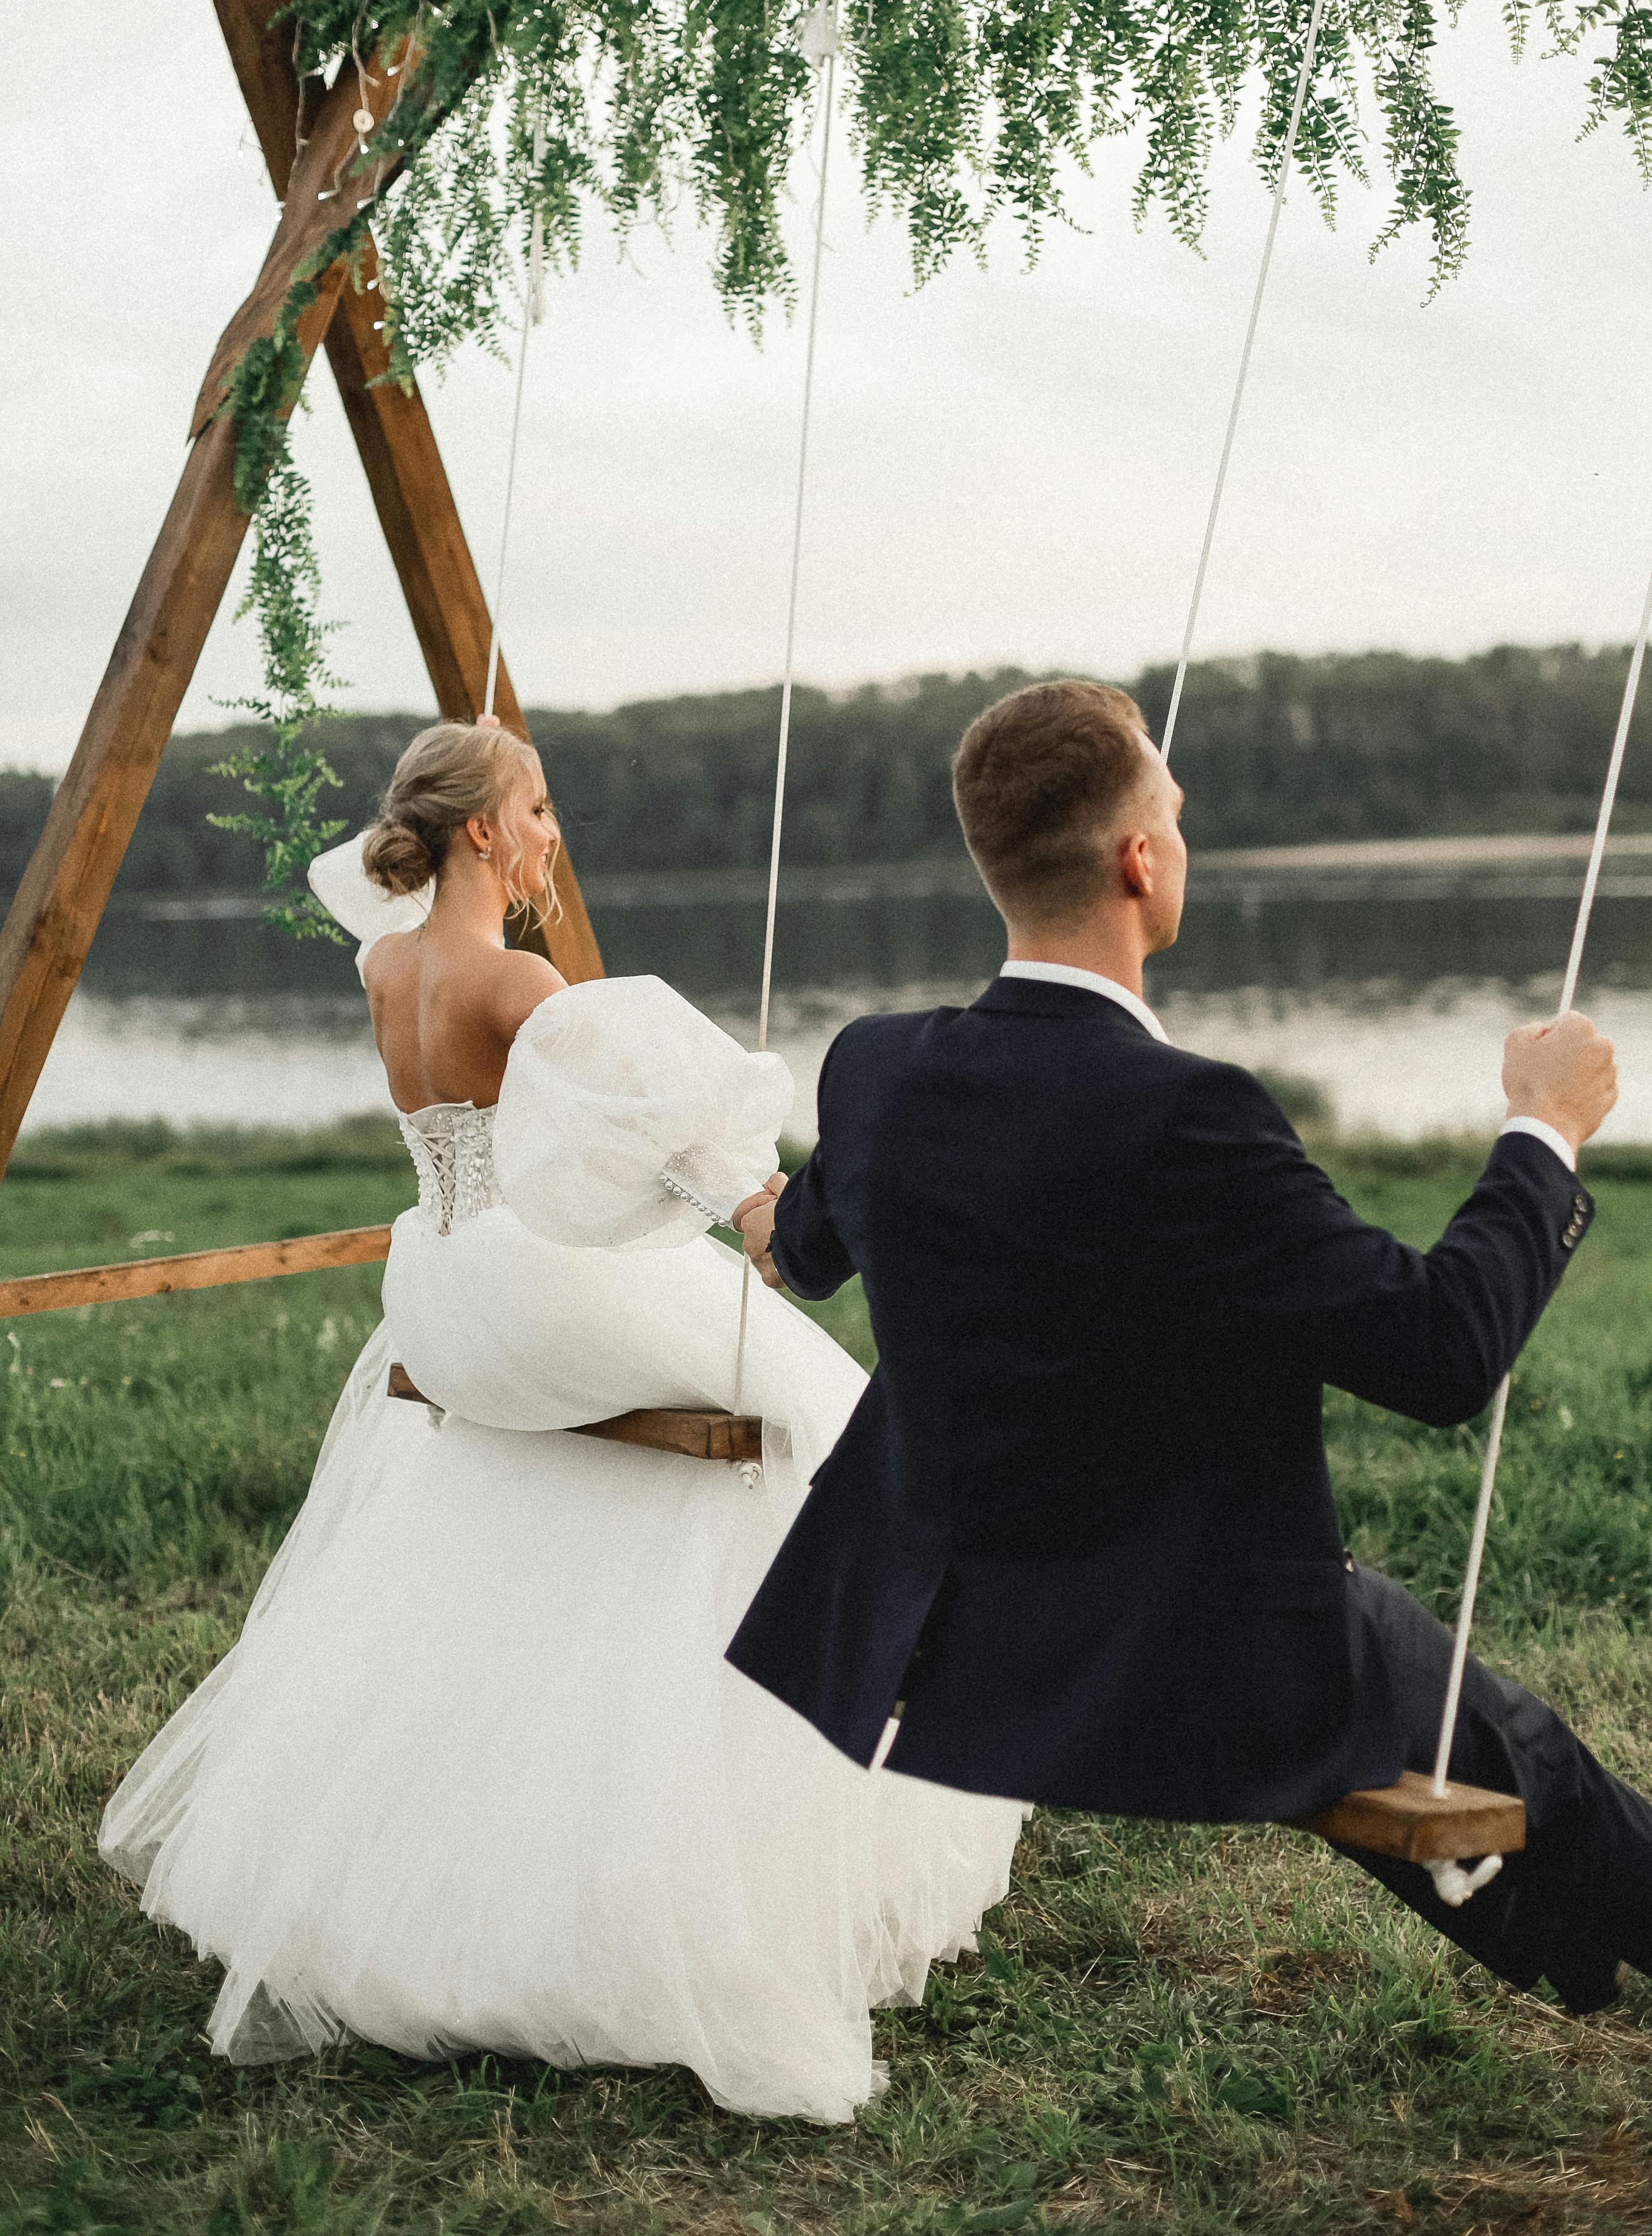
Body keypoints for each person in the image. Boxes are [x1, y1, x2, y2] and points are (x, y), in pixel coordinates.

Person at [100, 719, 1023, 2121]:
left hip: (440, 1280)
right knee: (817, 1406)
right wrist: (754, 1198)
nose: (548, 833)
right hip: (528, 1285)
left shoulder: (387, 959)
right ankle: (771, 1809)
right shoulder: (517, 976)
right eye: (534, 807)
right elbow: (647, 1114)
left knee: (693, 1399)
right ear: (478, 830)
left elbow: (368, 887)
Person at [727, 677, 1652, 2015]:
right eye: (1170, 803)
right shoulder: (1187, 1114)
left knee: (1454, 1711)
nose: (1180, 822)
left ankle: (1581, 1955)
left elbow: (797, 1247)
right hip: (1179, 1653)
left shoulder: (876, 1072)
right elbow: (1441, 1349)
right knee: (1521, 1753)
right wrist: (1540, 1127)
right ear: (1137, 860)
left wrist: (741, 1196)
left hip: (954, 1640)